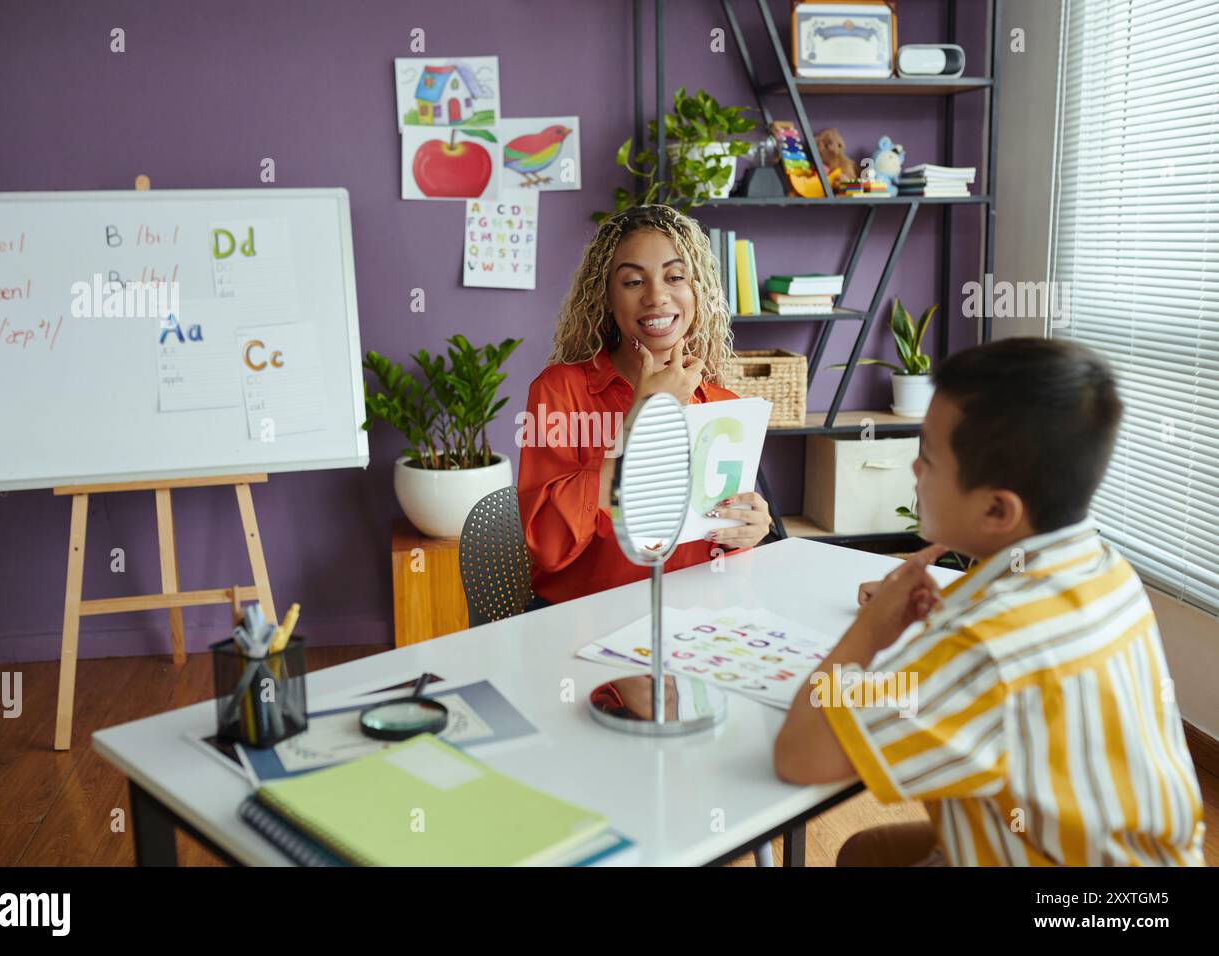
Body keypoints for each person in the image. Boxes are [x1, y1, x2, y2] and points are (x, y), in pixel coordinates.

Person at [774, 337, 1206, 866]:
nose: (914, 470)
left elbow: (801, 756)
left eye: (927, 457)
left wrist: (869, 630)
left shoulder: (983, 646)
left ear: (999, 511)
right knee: (867, 853)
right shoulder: (1102, 566)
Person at [517, 204, 772, 606]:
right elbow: (547, 548)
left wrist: (748, 531)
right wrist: (648, 416)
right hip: (581, 626)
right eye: (634, 281)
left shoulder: (723, 406)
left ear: (697, 291)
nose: (656, 296)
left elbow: (720, 557)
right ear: (606, 297)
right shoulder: (560, 392)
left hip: (689, 622)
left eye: (675, 277)